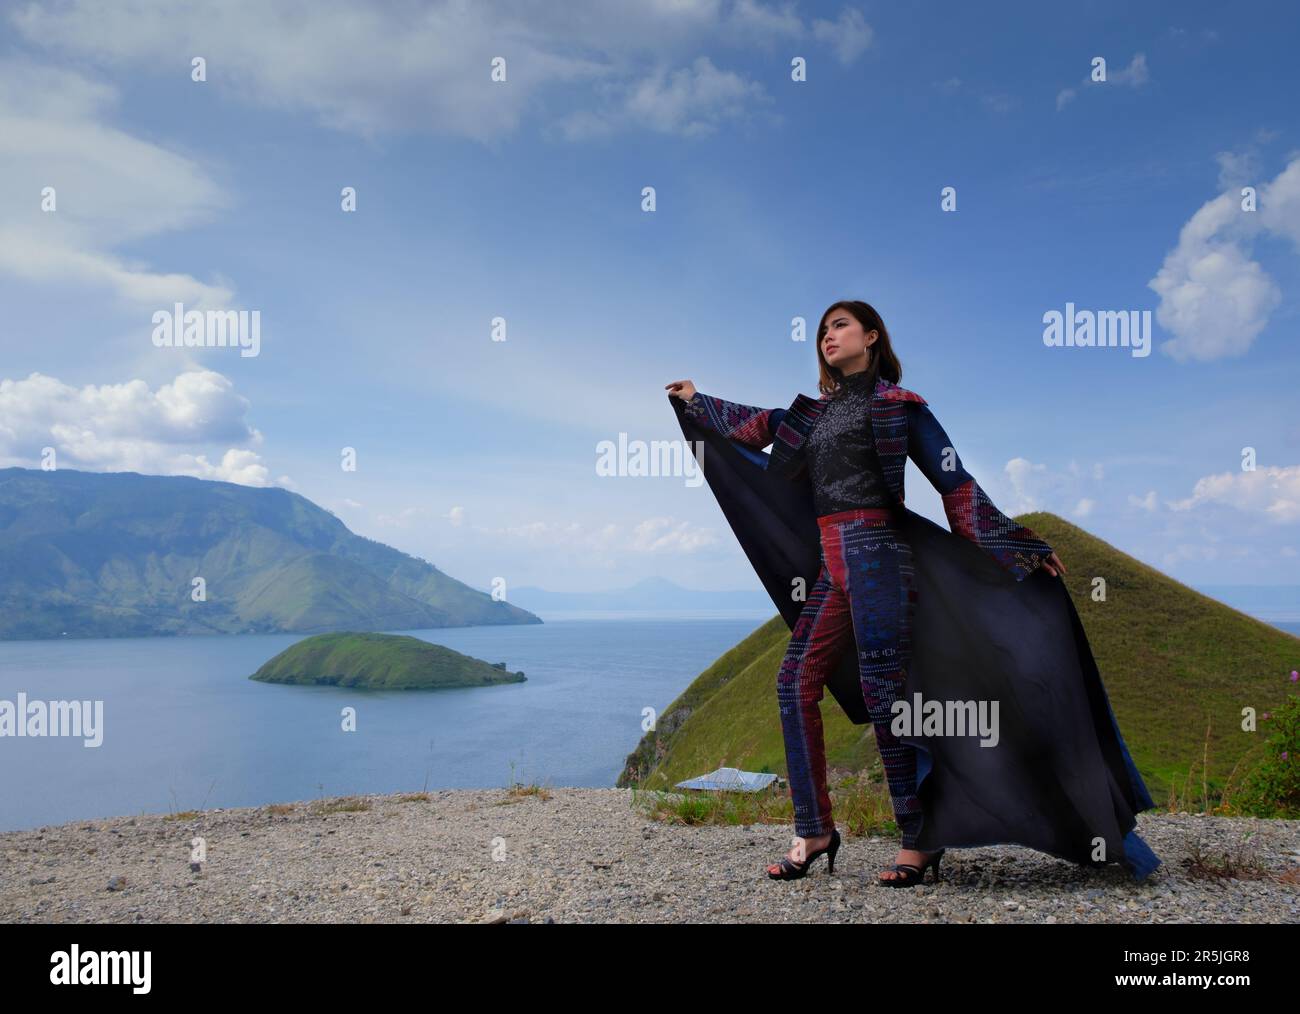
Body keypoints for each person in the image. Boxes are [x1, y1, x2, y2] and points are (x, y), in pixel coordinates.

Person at [666, 300, 1159, 887]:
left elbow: (955, 483)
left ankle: (917, 841)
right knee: (793, 683)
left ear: (872, 336)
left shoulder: (900, 407)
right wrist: (697, 401)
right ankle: (815, 829)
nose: (829, 336)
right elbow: (753, 424)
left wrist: (1018, 546)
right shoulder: (811, 417)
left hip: (880, 562)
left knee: (885, 698)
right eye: (823, 330)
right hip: (833, 568)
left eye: (841, 325)